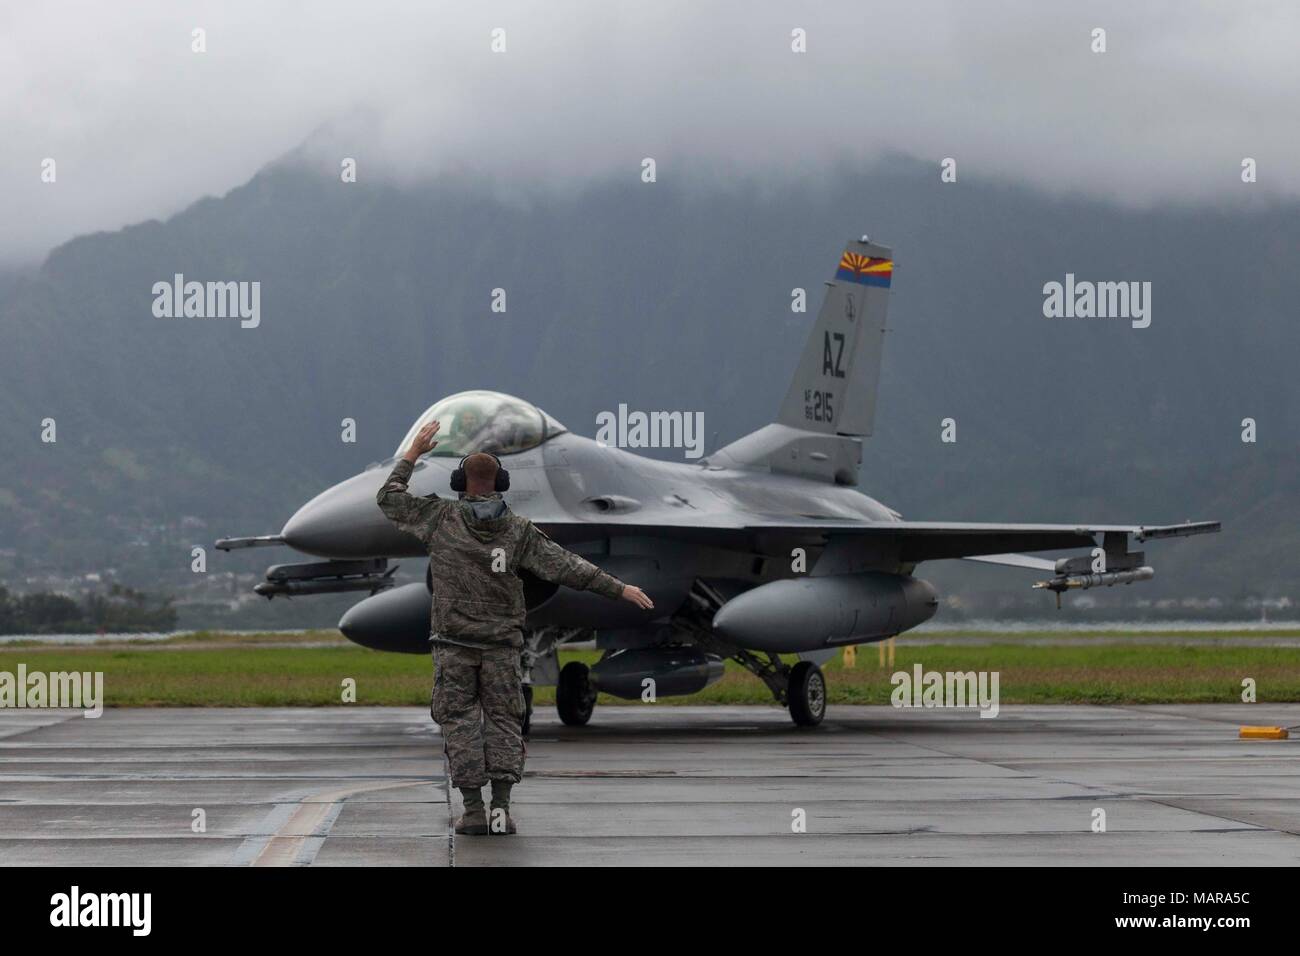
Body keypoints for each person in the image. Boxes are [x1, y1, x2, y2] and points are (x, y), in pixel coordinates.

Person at [376, 419, 654, 835]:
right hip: (502, 648)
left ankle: (472, 812)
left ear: (459, 482)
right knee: (504, 722)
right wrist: (620, 589)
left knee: (461, 723)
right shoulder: (519, 532)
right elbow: (569, 567)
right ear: (500, 483)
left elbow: (388, 497)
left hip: (453, 646)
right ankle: (501, 812)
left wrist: (413, 452)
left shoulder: (438, 518)